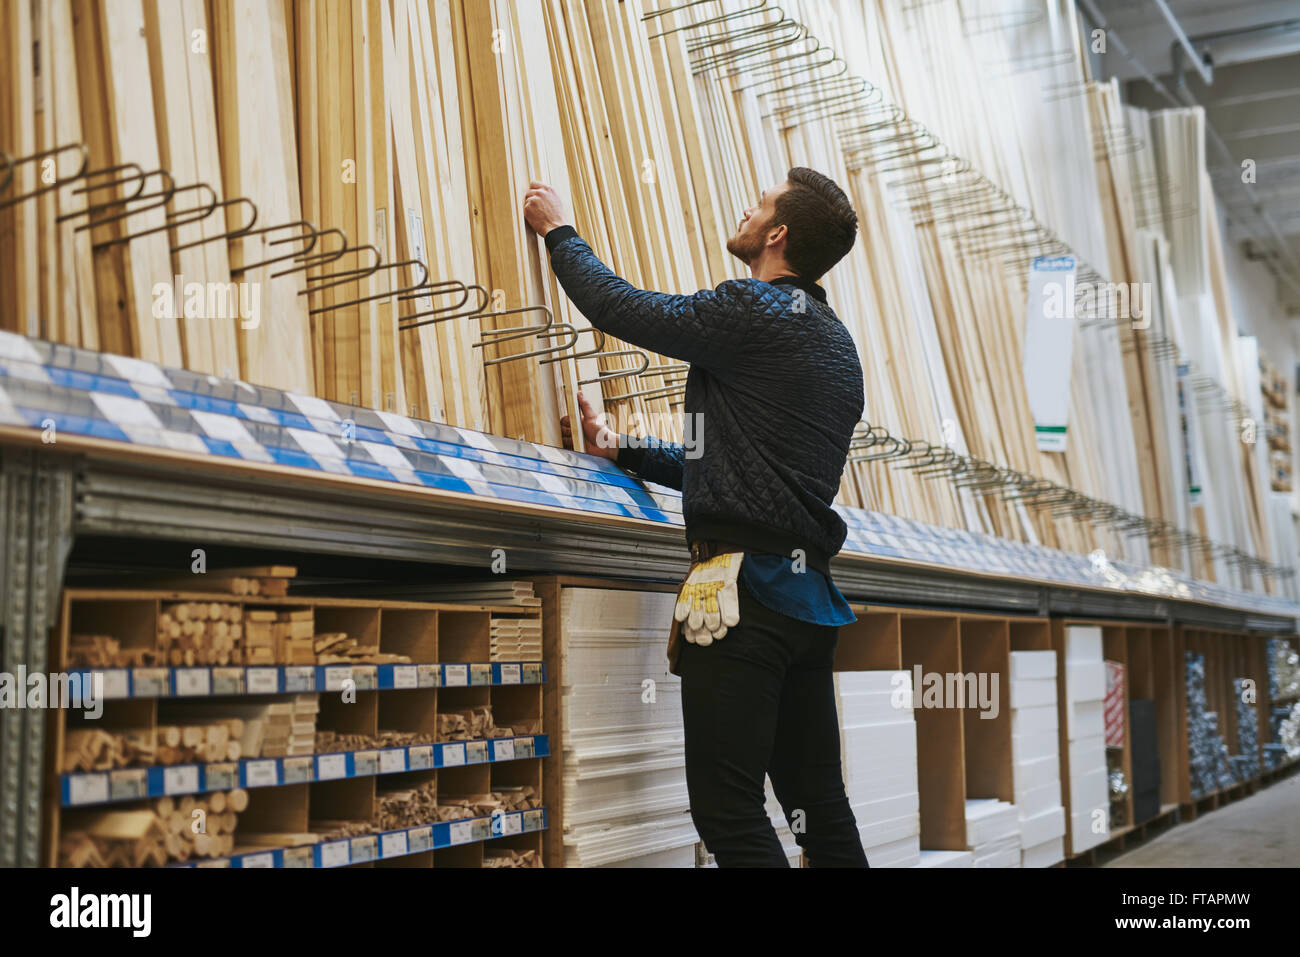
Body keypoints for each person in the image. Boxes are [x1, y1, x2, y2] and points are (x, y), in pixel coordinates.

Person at [523, 168, 868, 867]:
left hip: (742, 598)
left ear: (777, 234)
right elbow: (738, 471)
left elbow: (622, 308)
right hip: (805, 604)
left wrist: (559, 232)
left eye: (761, 204)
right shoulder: (838, 349)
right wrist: (626, 450)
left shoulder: (753, 311)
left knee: (727, 807)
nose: (746, 207)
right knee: (818, 805)